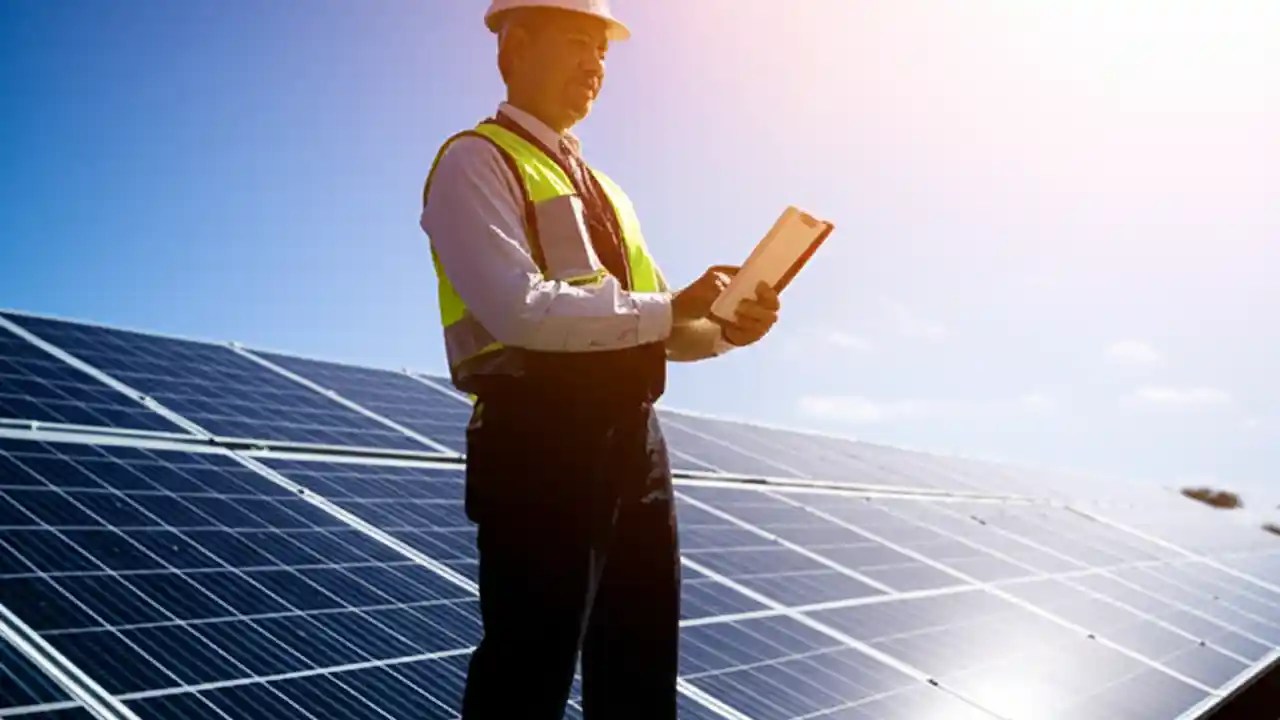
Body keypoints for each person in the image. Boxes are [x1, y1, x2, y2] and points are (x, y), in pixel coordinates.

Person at [419, 1, 781, 717]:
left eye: (605, 52)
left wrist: (728, 328)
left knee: (640, 668)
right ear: (514, 46)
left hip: (636, 447)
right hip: (537, 444)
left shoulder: (611, 193)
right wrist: (674, 309)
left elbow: (661, 328)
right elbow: (519, 307)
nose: (596, 66)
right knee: (529, 670)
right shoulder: (474, 161)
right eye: (580, 43)